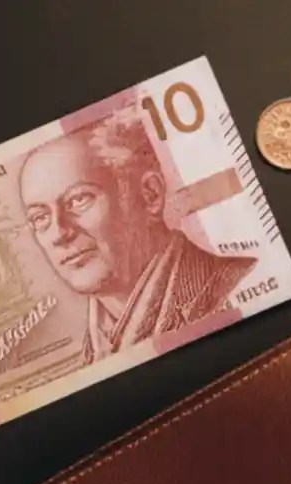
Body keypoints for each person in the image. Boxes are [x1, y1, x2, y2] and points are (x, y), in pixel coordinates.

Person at [18, 108, 255, 364]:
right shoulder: (92, 353)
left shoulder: (238, 286)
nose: (58, 233)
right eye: (40, 217)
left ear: (150, 195)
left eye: (78, 200)